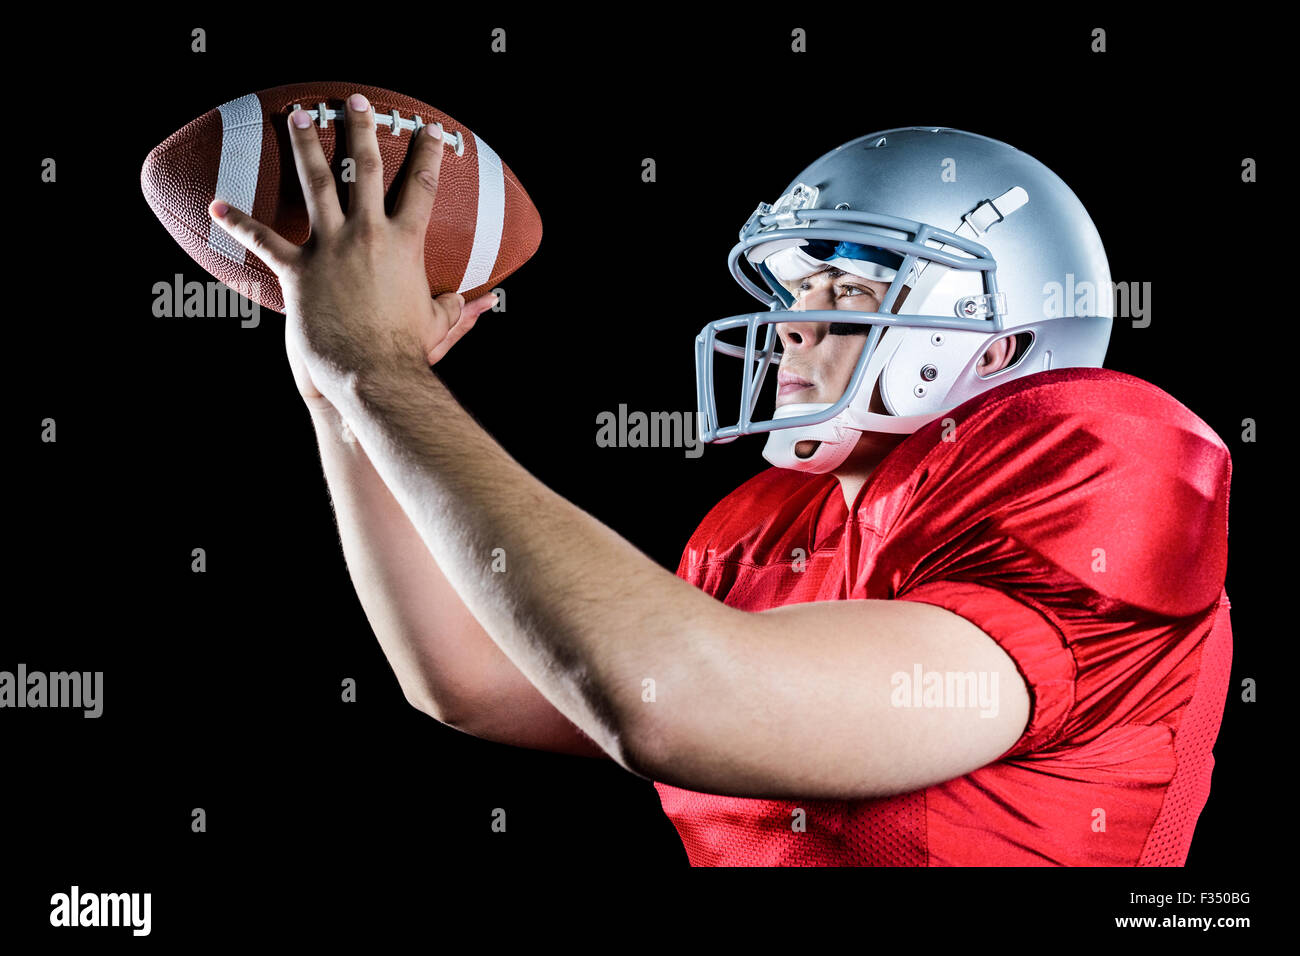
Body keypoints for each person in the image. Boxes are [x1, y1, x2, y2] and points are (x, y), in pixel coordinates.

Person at [210, 104, 1232, 865]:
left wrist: (379, 369)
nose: (794, 320)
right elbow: (469, 679)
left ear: (998, 341)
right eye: (793, 285)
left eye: (849, 285)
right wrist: (341, 397)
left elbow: (684, 702)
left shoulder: (1099, 465)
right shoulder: (767, 527)